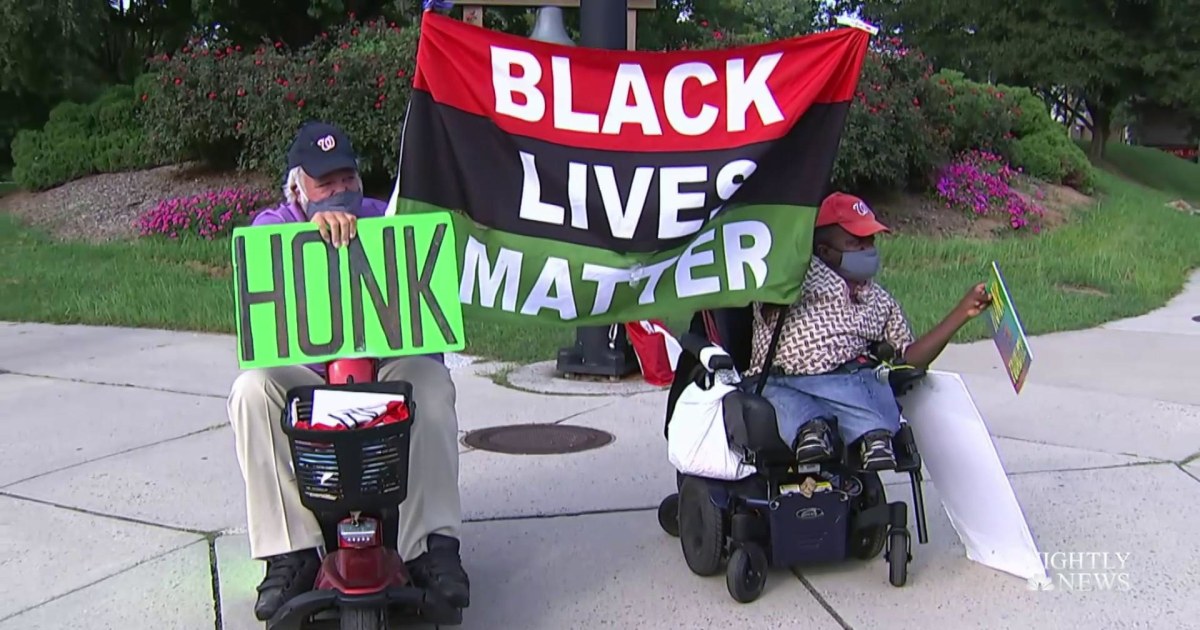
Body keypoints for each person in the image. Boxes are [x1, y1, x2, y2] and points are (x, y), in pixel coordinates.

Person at [226, 121, 470, 621]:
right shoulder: (273, 225)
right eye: (324, 182)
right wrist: (310, 237)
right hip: (311, 380)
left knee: (431, 381)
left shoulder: (387, 219)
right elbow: (268, 246)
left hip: (382, 372)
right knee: (251, 390)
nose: (339, 191)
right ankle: (290, 551)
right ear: (296, 187)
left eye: (346, 178)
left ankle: (432, 548)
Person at [744, 192, 993, 471]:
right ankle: (812, 432)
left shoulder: (878, 300)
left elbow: (910, 357)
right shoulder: (794, 279)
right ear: (824, 251)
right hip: (783, 378)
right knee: (772, 399)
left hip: (844, 382)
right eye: (855, 243)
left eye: (870, 241)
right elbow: (767, 288)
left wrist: (962, 312)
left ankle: (873, 438)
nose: (867, 249)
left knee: (875, 384)